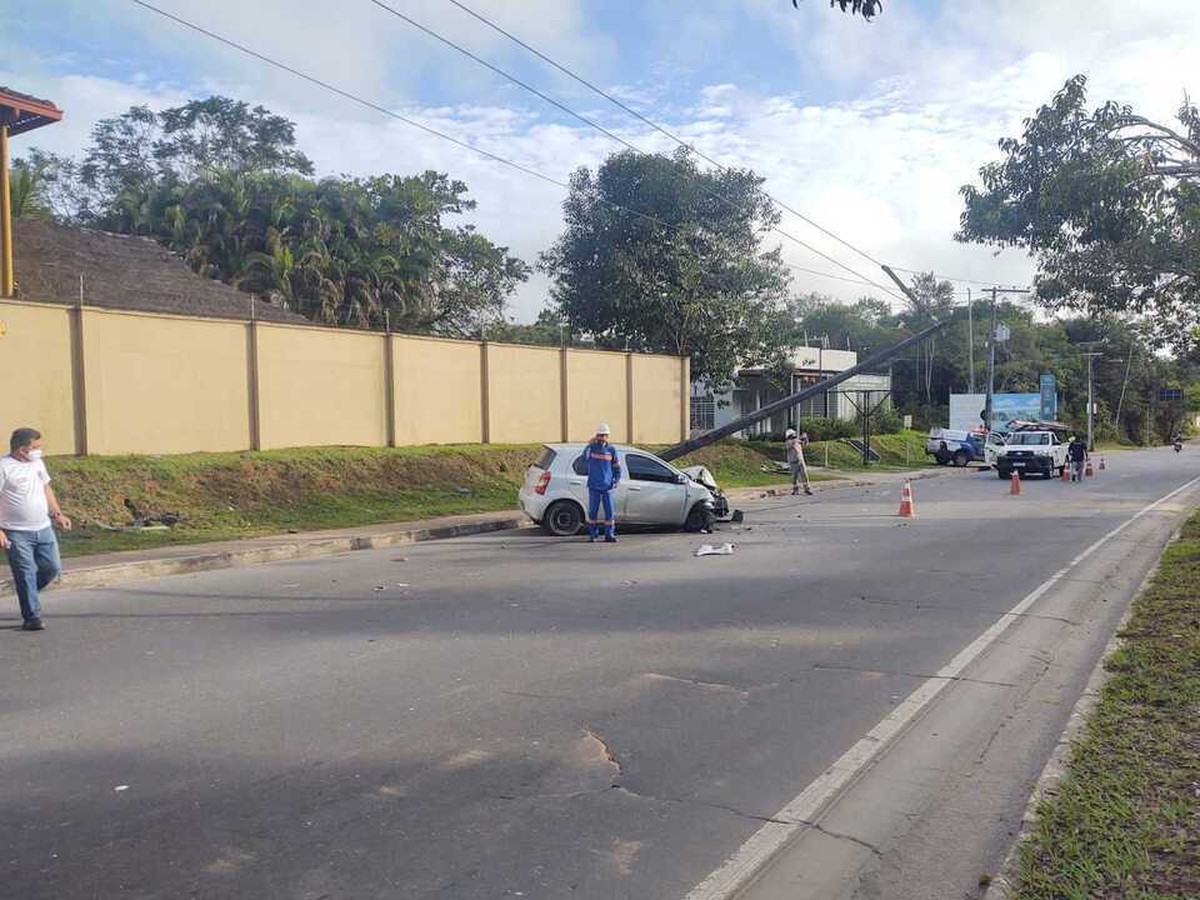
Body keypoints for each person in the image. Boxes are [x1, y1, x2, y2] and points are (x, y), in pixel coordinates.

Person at [1, 427, 72, 631]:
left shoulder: (37, 463)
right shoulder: (4, 467)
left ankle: (27, 590)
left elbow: (45, 488)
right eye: (35, 447)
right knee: (25, 572)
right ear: (22, 449)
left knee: (52, 568)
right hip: (15, 532)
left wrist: (57, 514)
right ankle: (32, 616)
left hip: (43, 528)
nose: (39, 450)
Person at [583, 423, 621, 543]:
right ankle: (593, 534)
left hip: (607, 486)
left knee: (609, 512)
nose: (602, 438)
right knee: (593, 512)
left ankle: (609, 534)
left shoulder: (611, 450)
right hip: (594, 485)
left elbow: (616, 467)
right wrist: (588, 445)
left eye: (604, 435)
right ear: (596, 436)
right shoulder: (592, 448)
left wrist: (616, 479)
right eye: (600, 435)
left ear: (607, 436)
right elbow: (584, 458)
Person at [785, 428, 813, 496]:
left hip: (800, 460)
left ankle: (807, 489)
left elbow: (805, 444)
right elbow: (791, 443)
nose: (794, 435)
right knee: (795, 477)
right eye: (793, 434)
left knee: (804, 474)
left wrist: (805, 438)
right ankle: (795, 490)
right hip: (793, 462)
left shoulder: (797, 441)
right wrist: (799, 438)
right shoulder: (788, 442)